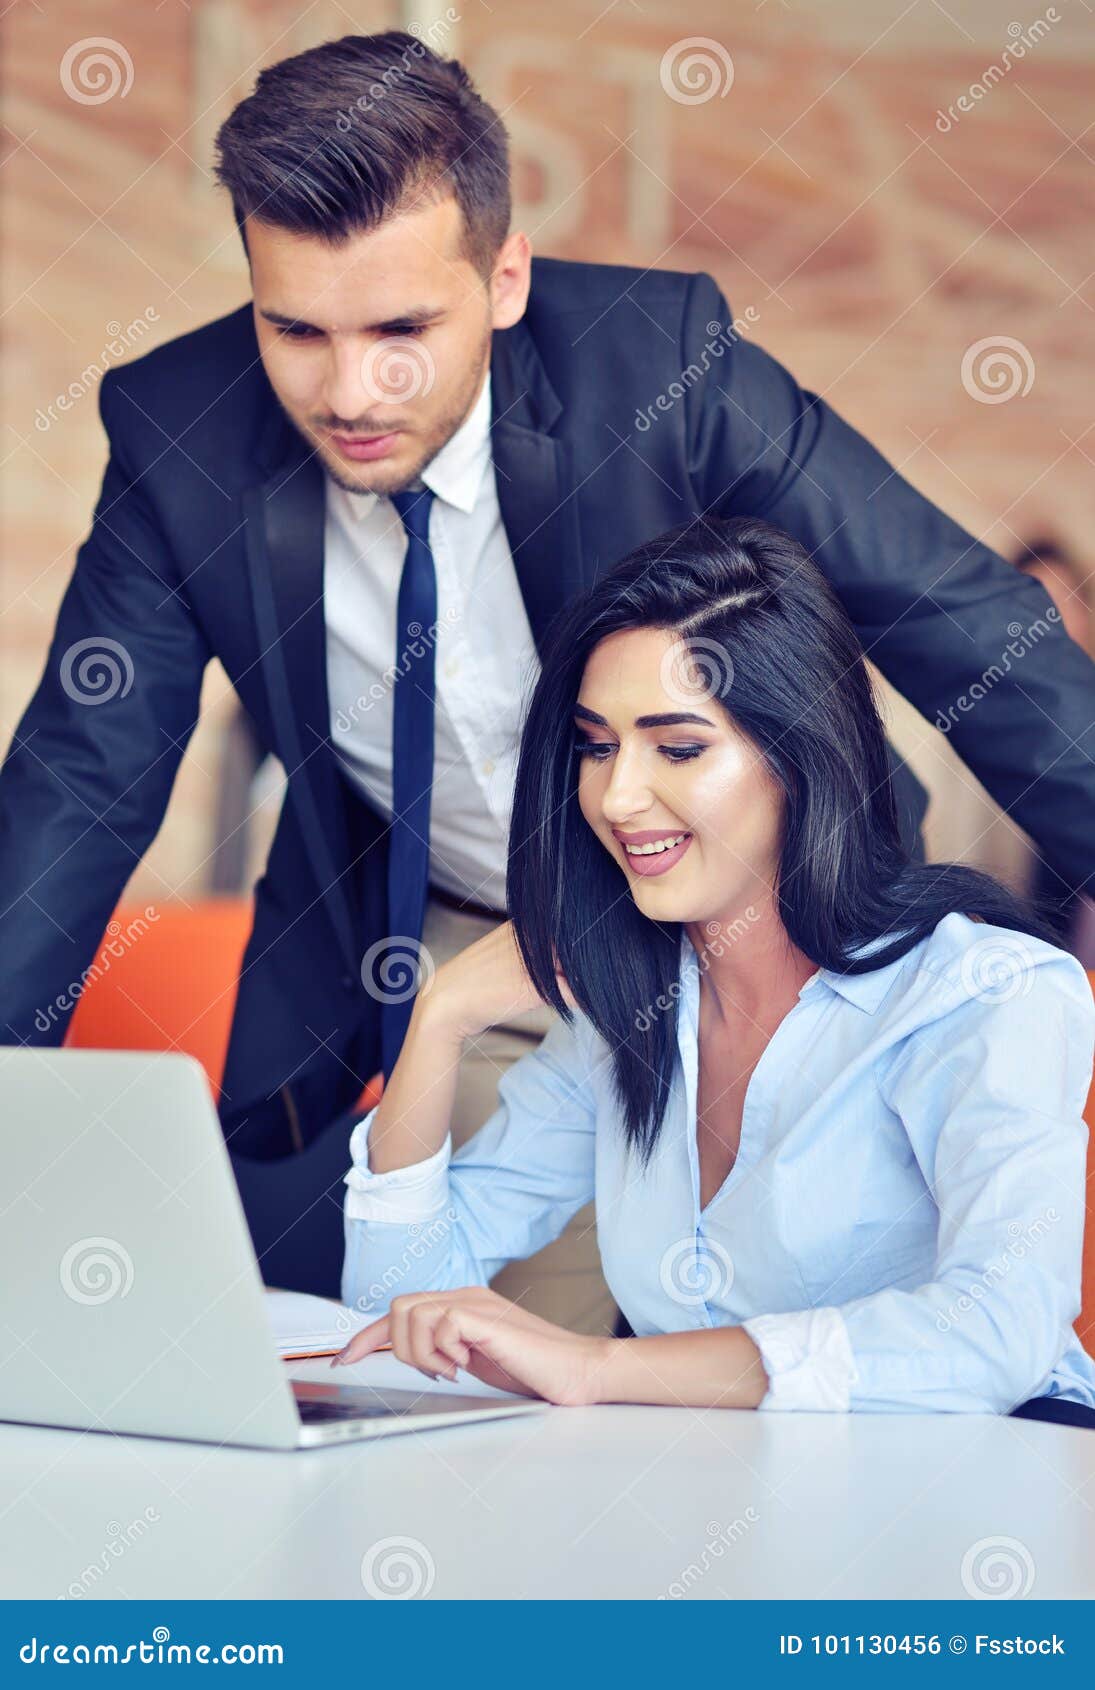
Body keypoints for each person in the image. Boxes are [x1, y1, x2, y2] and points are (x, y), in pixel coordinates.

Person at [3, 32, 1094, 1315]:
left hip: (767, 933)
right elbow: (83, 778)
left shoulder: (659, 367)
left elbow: (959, 620)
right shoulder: (178, 431)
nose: (354, 389)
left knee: (784, 1372)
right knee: (449, 1378)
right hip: (464, 939)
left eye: (405, 325)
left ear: (506, 276)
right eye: (296, 328)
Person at [335, 516, 1095, 1425]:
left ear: (798, 757)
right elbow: (393, 1307)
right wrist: (443, 1013)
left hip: (972, 1501)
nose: (616, 798)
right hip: (727, 1508)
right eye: (597, 744)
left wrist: (597, 1367)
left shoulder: (983, 995)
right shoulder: (629, 1009)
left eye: (679, 748)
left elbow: (996, 1331)